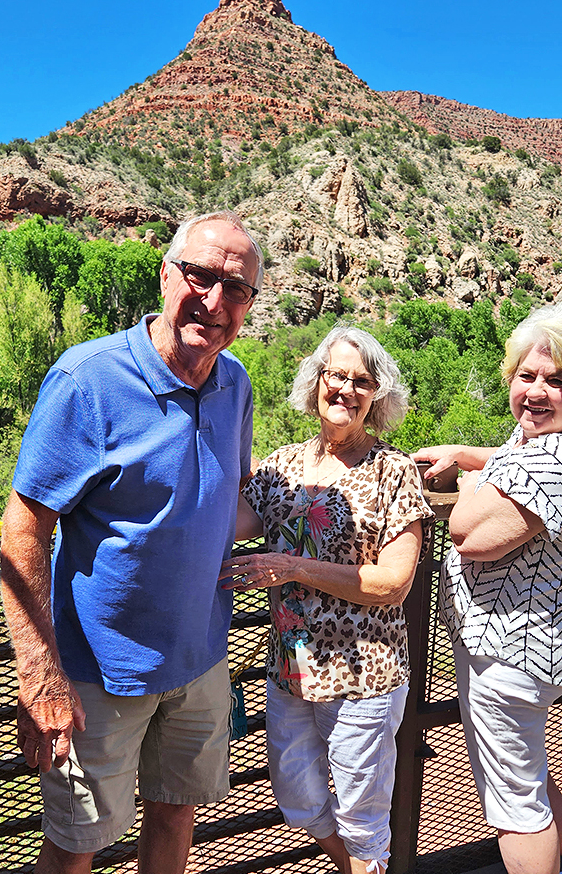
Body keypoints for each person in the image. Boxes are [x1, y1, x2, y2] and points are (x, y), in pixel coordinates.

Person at [0, 210, 262, 874]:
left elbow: (230, 491)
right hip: (96, 674)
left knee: (176, 812)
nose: (214, 300)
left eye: (236, 289)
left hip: (199, 660)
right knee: (77, 841)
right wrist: (39, 675)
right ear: (165, 273)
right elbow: (26, 525)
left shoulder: (236, 384)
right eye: (200, 276)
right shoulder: (88, 380)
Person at [414, 300, 562, 874]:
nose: (536, 390)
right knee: (524, 772)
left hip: (512, 654)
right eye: (526, 376)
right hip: (537, 645)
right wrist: (471, 456)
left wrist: (477, 476)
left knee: (514, 806)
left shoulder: (560, 459)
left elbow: (468, 533)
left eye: (557, 380)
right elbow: (513, 461)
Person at [220, 326, 433, 874]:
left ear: (377, 396)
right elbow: (224, 523)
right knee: (302, 802)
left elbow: (393, 583)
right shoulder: (281, 465)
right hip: (290, 673)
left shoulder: (393, 470)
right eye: (336, 375)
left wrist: (290, 567)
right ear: (316, 382)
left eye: (361, 381)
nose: (346, 389)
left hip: (366, 677)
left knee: (363, 823)